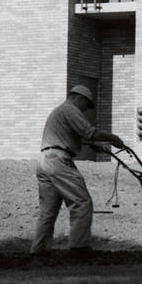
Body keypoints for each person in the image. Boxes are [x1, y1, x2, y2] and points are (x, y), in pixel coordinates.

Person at [32, 79, 106, 258]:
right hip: (58, 160)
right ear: (79, 98)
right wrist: (113, 138)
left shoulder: (60, 111)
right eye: (86, 106)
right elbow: (89, 132)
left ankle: (39, 250)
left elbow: (72, 136)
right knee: (81, 201)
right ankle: (79, 248)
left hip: (44, 160)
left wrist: (93, 145)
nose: (85, 110)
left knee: (48, 210)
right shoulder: (70, 109)